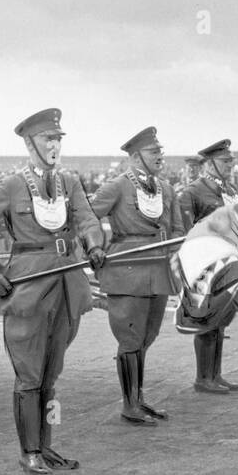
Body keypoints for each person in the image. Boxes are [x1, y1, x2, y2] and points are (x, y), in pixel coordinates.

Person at [0, 108, 105, 475]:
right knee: (29, 375)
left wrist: (94, 244)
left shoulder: (69, 183)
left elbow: (86, 218)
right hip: (27, 290)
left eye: (58, 139)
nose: (54, 146)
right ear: (29, 144)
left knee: (51, 374)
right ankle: (29, 452)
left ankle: (47, 445)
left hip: (67, 285)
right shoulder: (10, 186)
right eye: (47, 139)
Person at [90, 126, 187, 426]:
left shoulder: (166, 189)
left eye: (161, 151)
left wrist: (177, 251)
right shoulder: (116, 186)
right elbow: (87, 217)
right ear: (135, 157)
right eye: (154, 152)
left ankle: (139, 398)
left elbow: (177, 228)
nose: (160, 156)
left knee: (147, 336)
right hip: (127, 271)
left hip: (157, 270)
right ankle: (129, 404)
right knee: (130, 338)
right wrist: (95, 246)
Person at [177, 138, 238, 394]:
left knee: (221, 318)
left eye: (231, 161)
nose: (230, 166)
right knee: (206, 319)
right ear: (209, 164)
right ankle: (203, 378)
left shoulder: (232, 190)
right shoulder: (193, 192)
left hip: (228, 263)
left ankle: (215, 374)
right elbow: (183, 232)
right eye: (225, 162)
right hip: (204, 266)